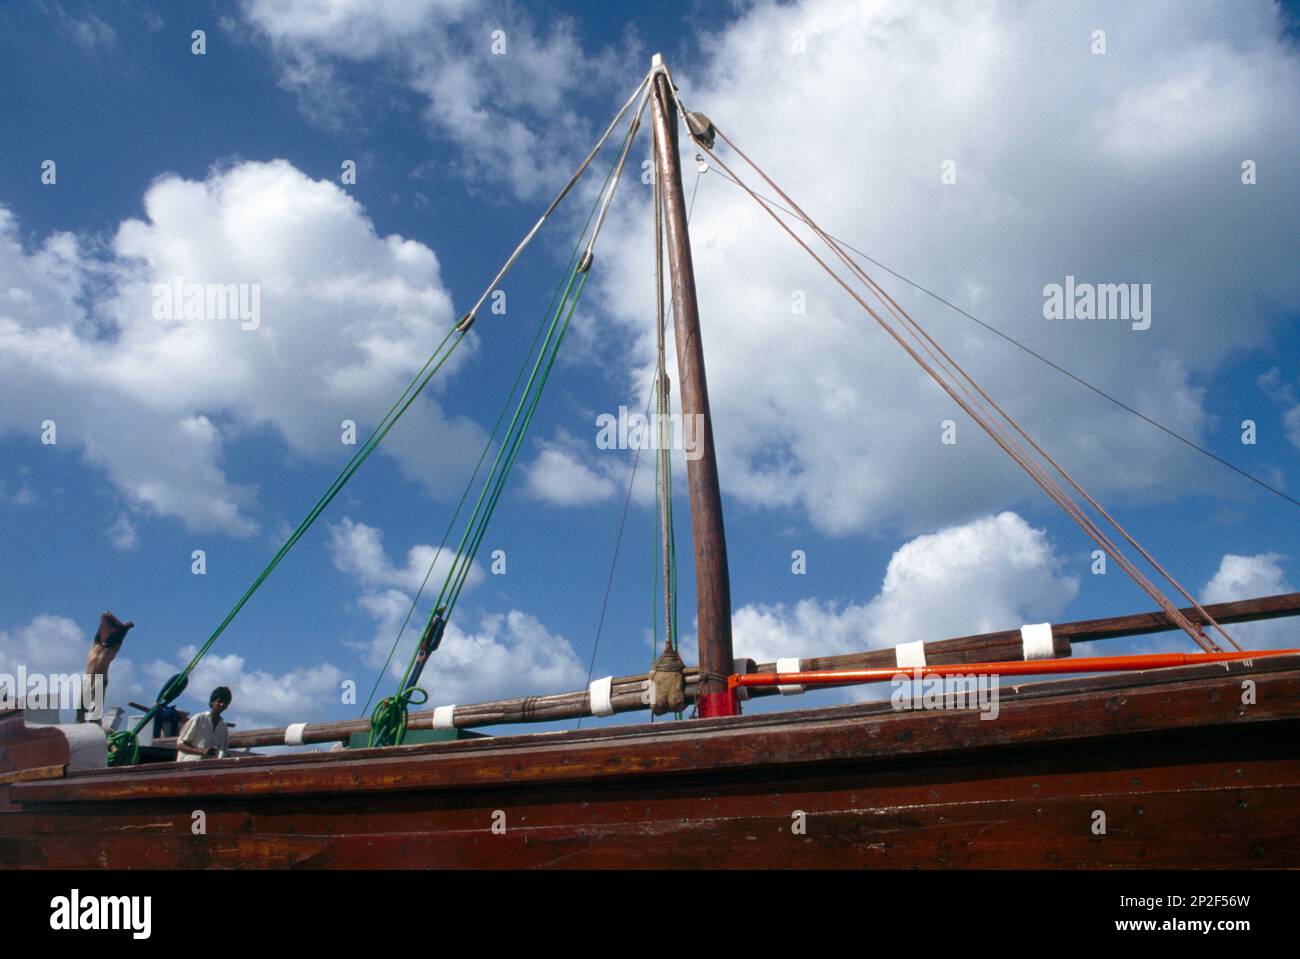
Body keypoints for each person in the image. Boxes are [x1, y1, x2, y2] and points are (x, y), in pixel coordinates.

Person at [77, 611, 134, 723]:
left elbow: (119, 640)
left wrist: (125, 629)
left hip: (100, 681)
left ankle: (95, 726)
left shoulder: (111, 651)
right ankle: (80, 726)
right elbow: (99, 633)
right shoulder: (95, 647)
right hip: (87, 680)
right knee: (81, 711)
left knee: (95, 712)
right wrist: (106, 617)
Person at [175, 687, 232, 761]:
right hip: (187, 768)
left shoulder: (223, 728)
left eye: (225, 702)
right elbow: (180, 745)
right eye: (219, 701)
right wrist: (202, 751)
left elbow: (222, 751)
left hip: (209, 769)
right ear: (212, 702)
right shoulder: (199, 719)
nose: (222, 704)